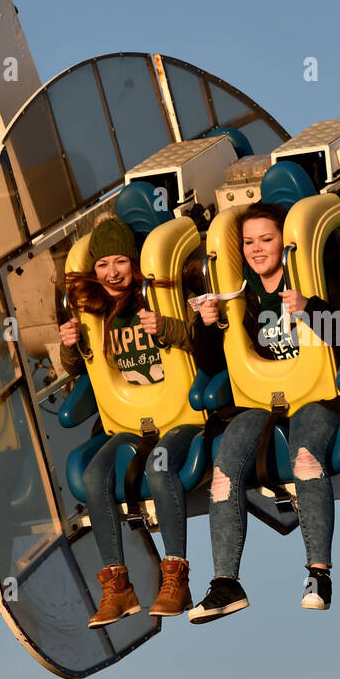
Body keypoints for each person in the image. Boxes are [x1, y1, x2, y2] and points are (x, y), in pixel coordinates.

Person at [187, 202, 340, 623]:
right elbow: (212, 365)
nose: (257, 250)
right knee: (225, 469)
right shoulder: (241, 293)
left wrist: (309, 309)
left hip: (319, 395)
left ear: (285, 242)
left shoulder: (315, 276)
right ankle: (226, 584)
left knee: (305, 456)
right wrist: (207, 325)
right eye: (248, 242)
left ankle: (319, 574)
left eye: (267, 239)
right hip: (264, 398)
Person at [58, 216, 218, 626]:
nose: (112, 274)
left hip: (182, 416)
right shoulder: (96, 313)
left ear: (134, 262)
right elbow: (85, 370)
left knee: (160, 466)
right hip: (131, 419)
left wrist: (168, 327)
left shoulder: (163, 297)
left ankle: (176, 576)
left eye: (119, 263)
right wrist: (71, 350)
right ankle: (118, 587)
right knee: (95, 476)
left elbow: (207, 347)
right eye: (102, 266)